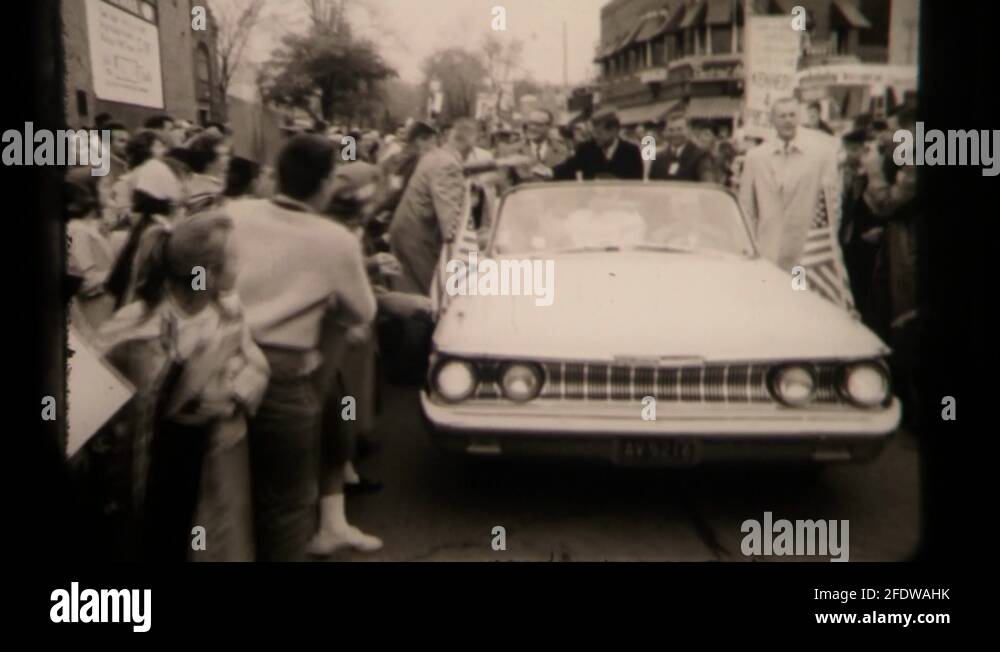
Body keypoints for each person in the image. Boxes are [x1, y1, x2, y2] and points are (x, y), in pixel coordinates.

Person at [225, 134, 379, 560]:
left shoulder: (234, 213)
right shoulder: (335, 240)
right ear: (327, 183)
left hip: (222, 358)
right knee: (287, 502)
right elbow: (362, 311)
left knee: (231, 487)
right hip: (283, 372)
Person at [98, 212, 269, 561]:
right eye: (234, 258)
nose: (242, 264)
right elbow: (91, 396)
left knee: (215, 539)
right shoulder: (139, 325)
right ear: (204, 274)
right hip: (161, 463)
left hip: (217, 454)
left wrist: (236, 387)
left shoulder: (229, 312)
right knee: (165, 539)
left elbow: (255, 362)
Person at [738, 97, 852, 310]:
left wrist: (823, 245)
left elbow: (832, 203)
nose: (788, 121)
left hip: (805, 252)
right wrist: (752, 244)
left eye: (792, 115)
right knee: (769, 307)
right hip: (768, 250)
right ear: (772, 120)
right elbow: (746, 207)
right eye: (782, 116)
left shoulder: (820, 155)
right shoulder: (756, 157)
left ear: (798, 117)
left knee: (800, 306)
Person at [388, 118, 476, 295]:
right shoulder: (447, 164)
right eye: (471, 146)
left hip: (408, 231)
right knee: (432, 297)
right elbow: (451, 224)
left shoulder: (436, 156)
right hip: (418, 239)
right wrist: (472, 250)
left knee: (410, 292)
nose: (472, 151)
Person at [839, 127, 881, 327]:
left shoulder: (875, 173)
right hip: (849, 236)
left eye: (854, 150)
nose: (849, 155)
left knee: (863, 282)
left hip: (866, 236)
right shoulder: (845, 172)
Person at [553, 110, 643, 180]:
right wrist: (547, 172)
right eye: (593, 132)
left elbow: (637, 182)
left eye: (599, 133)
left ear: (614, 130)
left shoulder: (631, 151)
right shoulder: (585, 149)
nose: (595, 136)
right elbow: (566, 169)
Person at [648, 112, 717, 183]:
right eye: (671, 130)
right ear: (666, 131)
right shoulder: (658, 158)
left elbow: (708, 183)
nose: (675, 134)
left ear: (689, 130)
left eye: (679, 129)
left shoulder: (701, 156)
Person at [184, 131, 231, 213]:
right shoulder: (205, 195)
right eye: (224, 155)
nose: (229, 158)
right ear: (208, 161)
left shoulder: (191, 183)